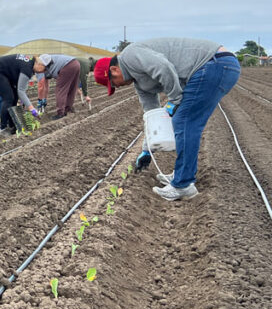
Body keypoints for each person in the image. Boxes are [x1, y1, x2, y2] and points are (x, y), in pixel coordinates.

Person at [93, 38, 240, 201]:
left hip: (214, 64)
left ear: (114, 69)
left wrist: (175, 100)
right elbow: (152, 115)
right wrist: (146, 149)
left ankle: (183, 185)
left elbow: (163, 67)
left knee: (184, 121)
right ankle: (181, 175)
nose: (117, 87)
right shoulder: (140, 84)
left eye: (113, 83)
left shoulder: (131, 55)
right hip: (213, 67)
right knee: (184, 120)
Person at [0, 54, 40, 136]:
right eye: (44, 69)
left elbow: (20, 88)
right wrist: (31, 108)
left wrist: (22, 101)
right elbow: (21, 90)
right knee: (8, 98)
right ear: (39, 64)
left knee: (14, 97)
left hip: (6, 73)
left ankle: (13, 125)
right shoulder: (27, 68)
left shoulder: (31, 64)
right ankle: (3, 129)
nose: (43, 72)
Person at [33, 54, 81, 119]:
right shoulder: (42, 63)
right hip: (76, 63)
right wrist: (45, 99)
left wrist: (40, 100)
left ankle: (61, 113)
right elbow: (45, 86)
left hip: (66, 66)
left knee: (60, 90)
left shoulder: (37, 68)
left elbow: (41, 87)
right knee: (72, 89)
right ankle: (67, 108)